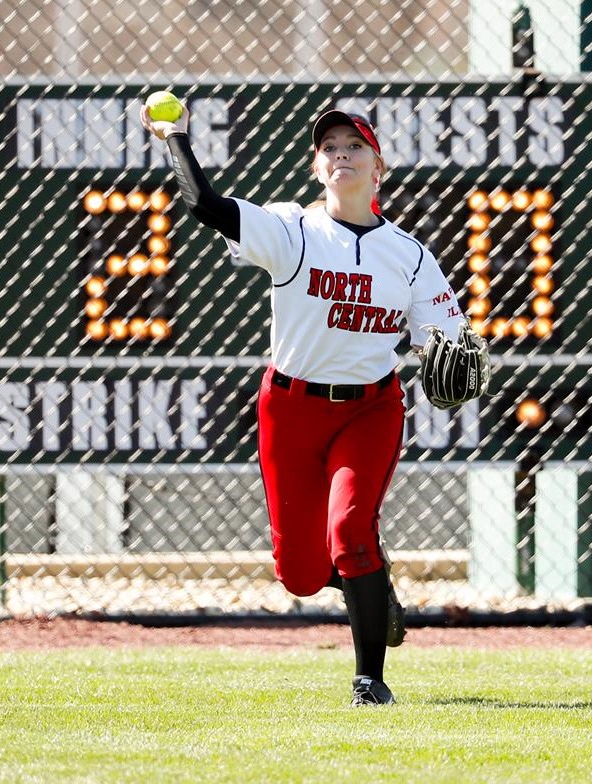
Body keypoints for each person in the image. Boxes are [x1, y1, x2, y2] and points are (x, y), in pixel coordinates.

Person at [141, 101, 465, 706]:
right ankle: (370, 580)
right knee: (303, 574)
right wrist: (176, 138)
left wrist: (453, 356)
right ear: (318, 167)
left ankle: (370, 679)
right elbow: (204, 206)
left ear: (379, 166)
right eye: (330, 148)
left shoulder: (411, 256)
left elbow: (446, 341)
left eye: (354, 146)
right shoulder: (293, 229)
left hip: (369, 409)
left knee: (350, 532)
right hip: (290, 409)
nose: (341, 154)